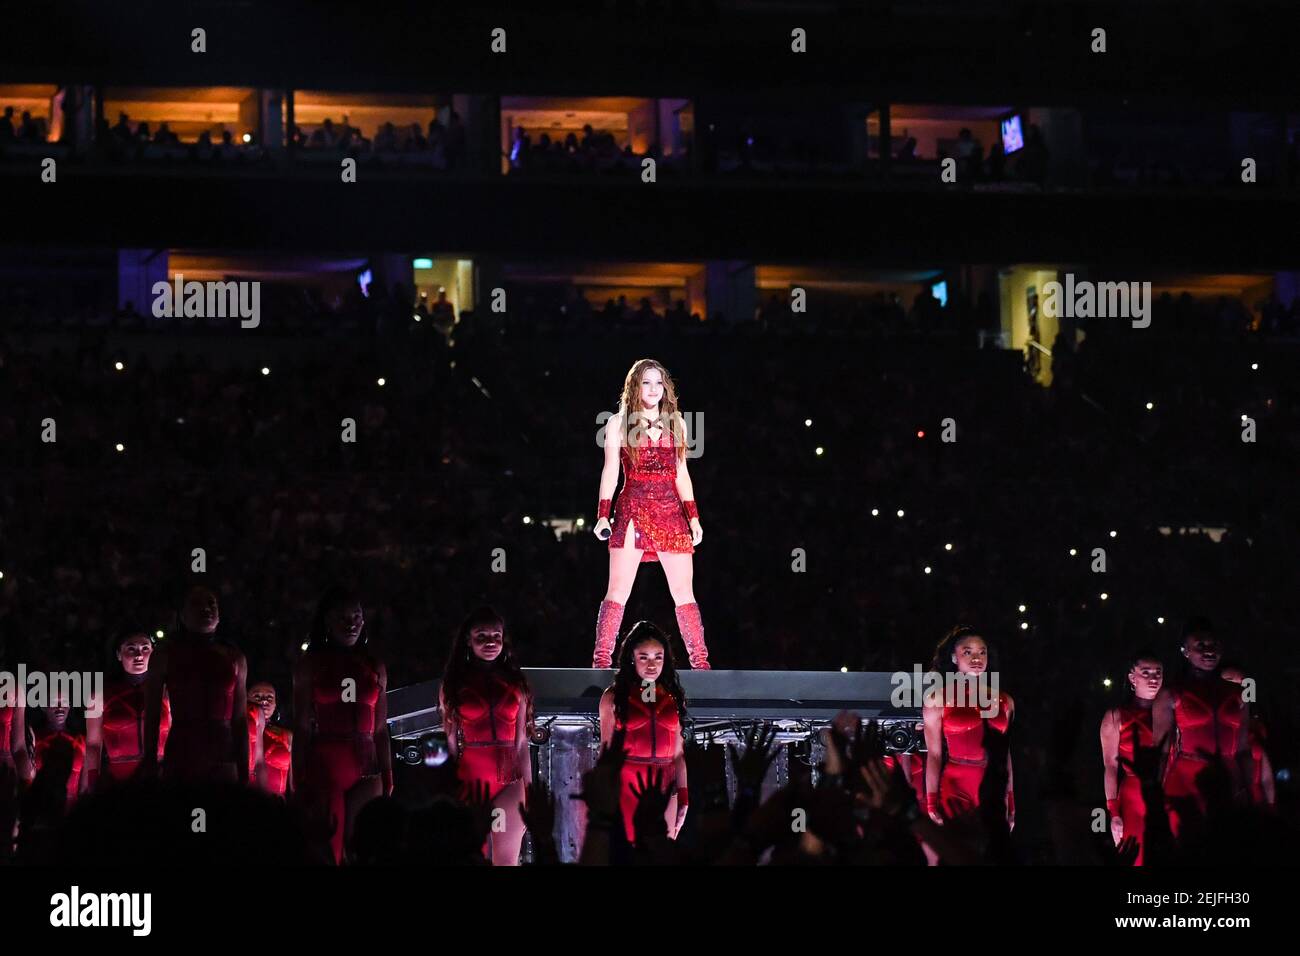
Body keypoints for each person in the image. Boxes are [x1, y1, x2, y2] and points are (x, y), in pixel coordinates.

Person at [592, 359, 709, 668]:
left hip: (670, 510)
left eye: (659, 383)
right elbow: (610, 471)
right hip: (633, 506)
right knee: (618, 589)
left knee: (684, 591)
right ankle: (601, 662)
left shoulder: (678, 423)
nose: (653, 389)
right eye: (646, 382)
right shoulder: (619, 423)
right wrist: (603, 515)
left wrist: (693, 516)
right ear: (635, 386)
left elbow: (681, 473)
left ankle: (701, 664)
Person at [294, 587, 392, 864]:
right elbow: (301, 726)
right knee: (331, 848)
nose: (352, 623)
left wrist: (387, 771)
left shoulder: (374, 665)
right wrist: (296, 775)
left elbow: (381, 728)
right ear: (327, 621)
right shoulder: (310, 664)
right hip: (327, 763)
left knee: (364, 851)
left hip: (367, 763)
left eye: (357, 616)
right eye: (343, 617)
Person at [439, 607, 534, 865]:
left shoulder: (517, 683)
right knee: (470, 857)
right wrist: (450, 785)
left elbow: (522, 742)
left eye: (496, 636)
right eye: (482, 636)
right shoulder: (454, 683)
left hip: (510, 781)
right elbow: (449, 740)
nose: (491, 642)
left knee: (507, 861)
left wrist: (529, 789)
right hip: (471, 780)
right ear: (468, 641)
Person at [1152, 618, 1252, 839]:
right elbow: (1160, 751)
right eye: (1200, 645)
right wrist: (1154, 793)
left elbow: (1244, 748)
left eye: (1214, 645)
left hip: (1228, 779)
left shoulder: (1239, 693)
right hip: (1187, 781)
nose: (1209, 650)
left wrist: (1252, 791)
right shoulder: (1171, 693)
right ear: (1185, 651)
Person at [143, 585, 250, 783]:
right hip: (182, 751)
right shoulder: (164, 656)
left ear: (219, 615)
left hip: (223, 753)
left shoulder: (235, 658)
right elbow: (152, 714)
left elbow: (240, 720)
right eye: (196, 603)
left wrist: (243, 770)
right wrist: (149, 758)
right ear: (182, 615)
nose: (206, 608)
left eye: (211, 603)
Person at [599, 621, 689, 843]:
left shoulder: (673, 697)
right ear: (632, 657)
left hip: (666, 785)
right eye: (644, 657)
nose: (652, 664)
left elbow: (678, 754)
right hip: (627, 784)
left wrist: (684, 797)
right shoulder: (613, 697)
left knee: (662, 855)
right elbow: (606, 753)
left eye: (658, 657)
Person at [922, 625, 1014, 828]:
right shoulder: (938, 699)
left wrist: (1011, 800)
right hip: (957, 784)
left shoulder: (1004, 701)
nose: (976, 658)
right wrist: (931, 800)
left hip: (994, 784)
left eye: (982, 652)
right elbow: (934, 755)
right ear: (954, 657)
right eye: (968, 652)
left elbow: (1005, 755)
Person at [84, 631, 171, 788]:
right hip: (119, 782)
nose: (139, 655)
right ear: (119, 654)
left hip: (162, 778)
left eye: (145, 648)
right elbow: (93, 744)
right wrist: (91, 782)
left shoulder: (167, 691)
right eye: (131, 649)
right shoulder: (98, 694)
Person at [1099, 650, 1163, 864]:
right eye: (1146, 673)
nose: (1153, 678)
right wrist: (1113, 813)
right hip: (1134, 796)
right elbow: (1110, 765)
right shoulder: (1116, 715)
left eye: (1158, 673)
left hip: (1169, 789)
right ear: (1132, 678)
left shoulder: (1174, 709)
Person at [1221, 666, 1276, 808]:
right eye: (1230, 682)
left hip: (1257, 800)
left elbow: (1266, 774)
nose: (1239, 688)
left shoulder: (1256, 726)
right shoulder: (1212, 728)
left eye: (1243, 683)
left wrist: (1270, 804)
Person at [29, 693, 85, 805]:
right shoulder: (33, 738)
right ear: (44, 707)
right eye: (54, 702)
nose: (60, 707)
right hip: (40, 810)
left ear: (70, 706)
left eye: (64, 702)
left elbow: (85, 785)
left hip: (72, 811)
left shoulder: (81, 741)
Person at [248, 681, 292, 797]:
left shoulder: (287, 736)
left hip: (277, 805)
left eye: (269, 697)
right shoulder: (238, 728)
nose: (264, 701)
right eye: (257, 696)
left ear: (275, 704)